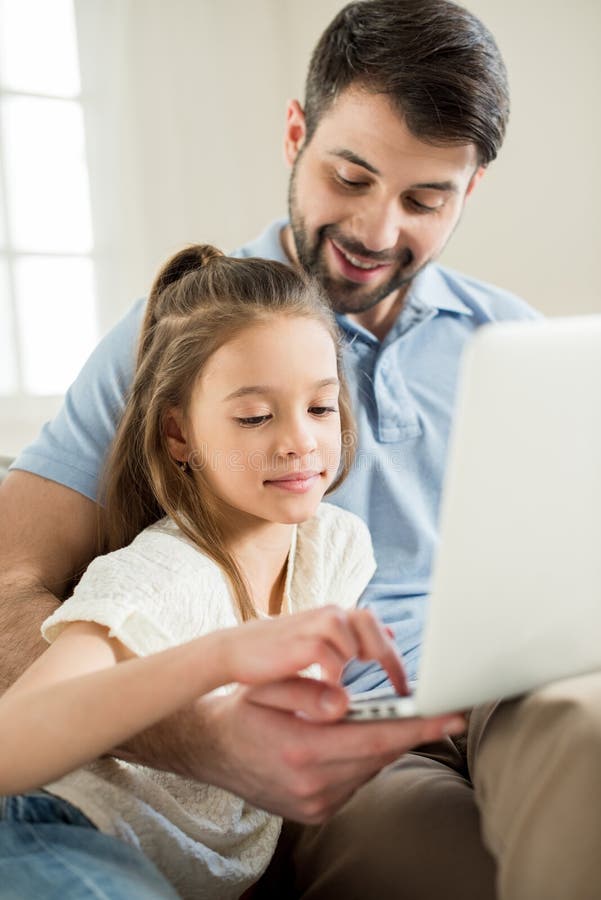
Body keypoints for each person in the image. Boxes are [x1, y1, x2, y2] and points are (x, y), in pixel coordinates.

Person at [2, 1, 600, 899]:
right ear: (296, 133)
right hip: (341, 744)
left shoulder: (512, 341)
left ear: (468, 191)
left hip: (513, 694)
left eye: (424, 199)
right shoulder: (185, 336)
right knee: (449, 858)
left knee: (586, 746)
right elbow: (10, 587)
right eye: (349, 177)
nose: (375, 231)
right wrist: (196, 731)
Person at [0, 244, 445, 899]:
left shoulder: (338, 545)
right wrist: (221, 656)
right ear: (178, 436)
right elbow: (11, 745)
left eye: (320, 407)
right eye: (255, 416)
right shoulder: (165, 572)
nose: (298, 439)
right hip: (56, 830)